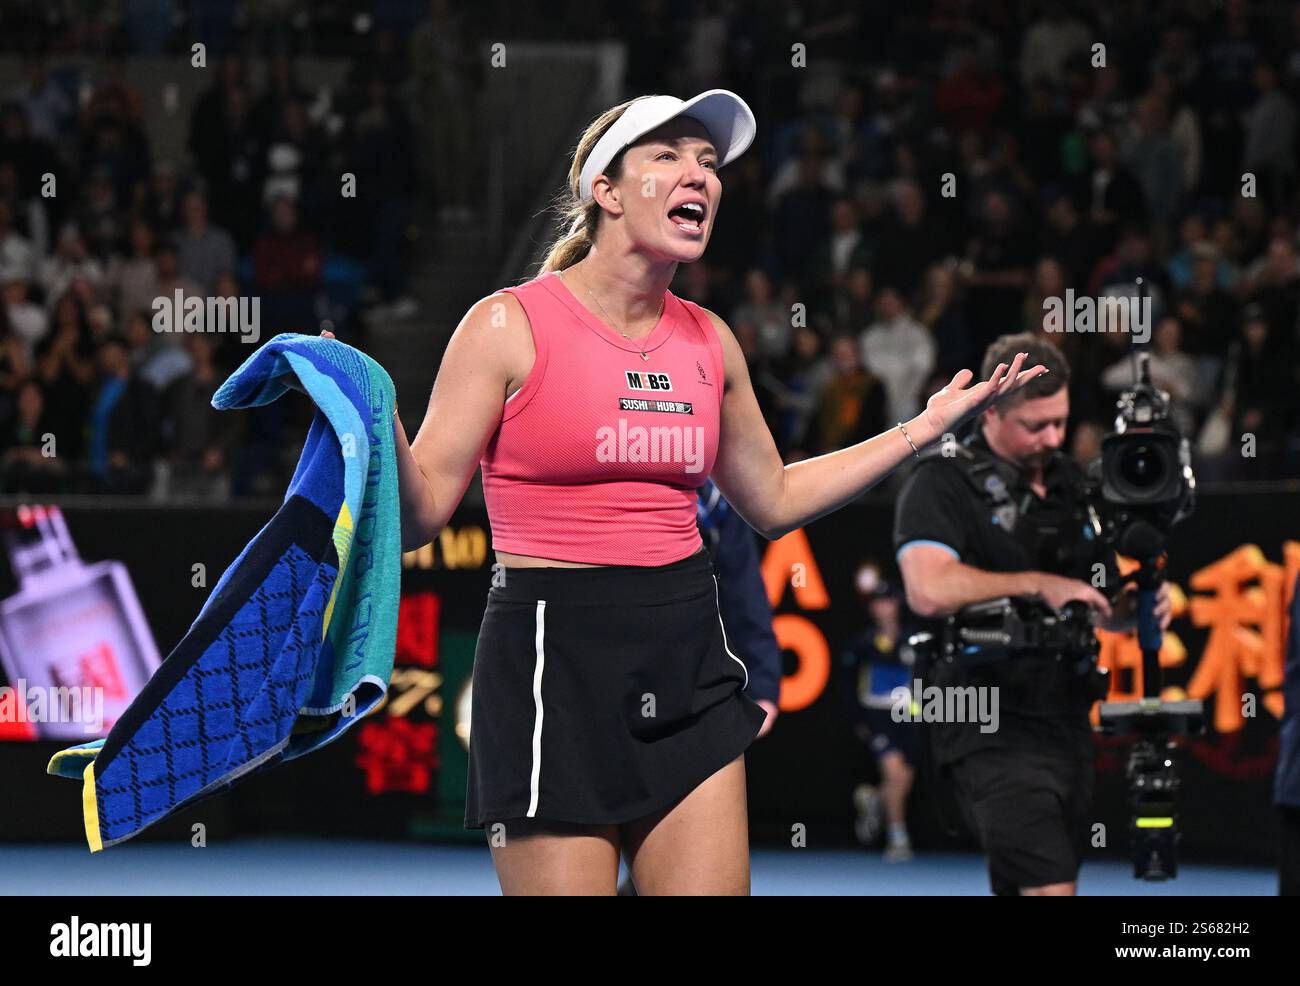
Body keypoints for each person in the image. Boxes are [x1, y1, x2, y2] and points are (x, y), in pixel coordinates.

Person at [324, 91, 1044, 895]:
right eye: (667, 156)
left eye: (707, 161)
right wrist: (373, 406)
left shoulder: (710, 339)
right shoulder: (505, 326)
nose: (698, 173)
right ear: (605, 190)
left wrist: (920, 428)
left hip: (687, 652)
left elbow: (770, 498)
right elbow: (420, 518)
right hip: (549, 661)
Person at [893, 333, 1171, 896]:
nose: (1054, 438)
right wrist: (1038, 584)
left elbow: (1100, 608)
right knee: (1049, 887)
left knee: (1036, 883)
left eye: (1061, 422)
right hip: (984, 714)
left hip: (1066, 715)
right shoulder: (941, 480)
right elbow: (927, 589)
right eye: (1036, 426)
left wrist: (1134, 606)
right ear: (991, 412)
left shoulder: (1075, 485)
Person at [840, 560, 917, 862]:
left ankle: (874, 798)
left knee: (903, 781)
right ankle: (898, 838)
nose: (883, 608)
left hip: (909, 716)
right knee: (896, 775)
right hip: (877, 717)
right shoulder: (863, 644)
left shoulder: (914, 640)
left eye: (888, 601)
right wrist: (859, 720)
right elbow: (848, 685)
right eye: (878, 602)